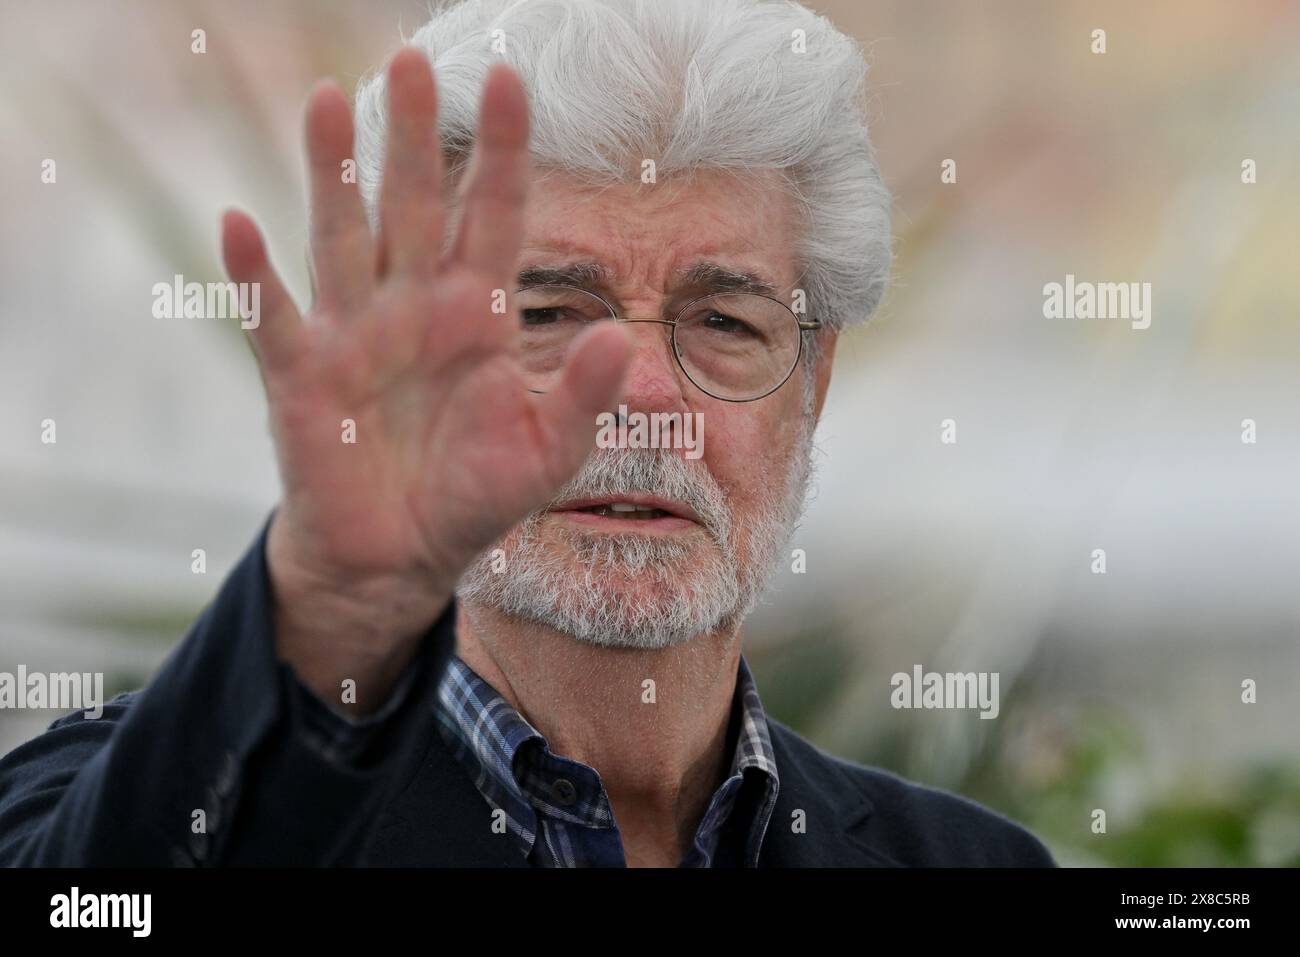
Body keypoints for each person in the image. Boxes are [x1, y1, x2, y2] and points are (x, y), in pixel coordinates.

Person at [0, 0, 1054, 867]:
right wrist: (327, 603)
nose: (638, 392)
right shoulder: (140, 812)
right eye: (545, 314)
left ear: (811, 383)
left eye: (723, 322)